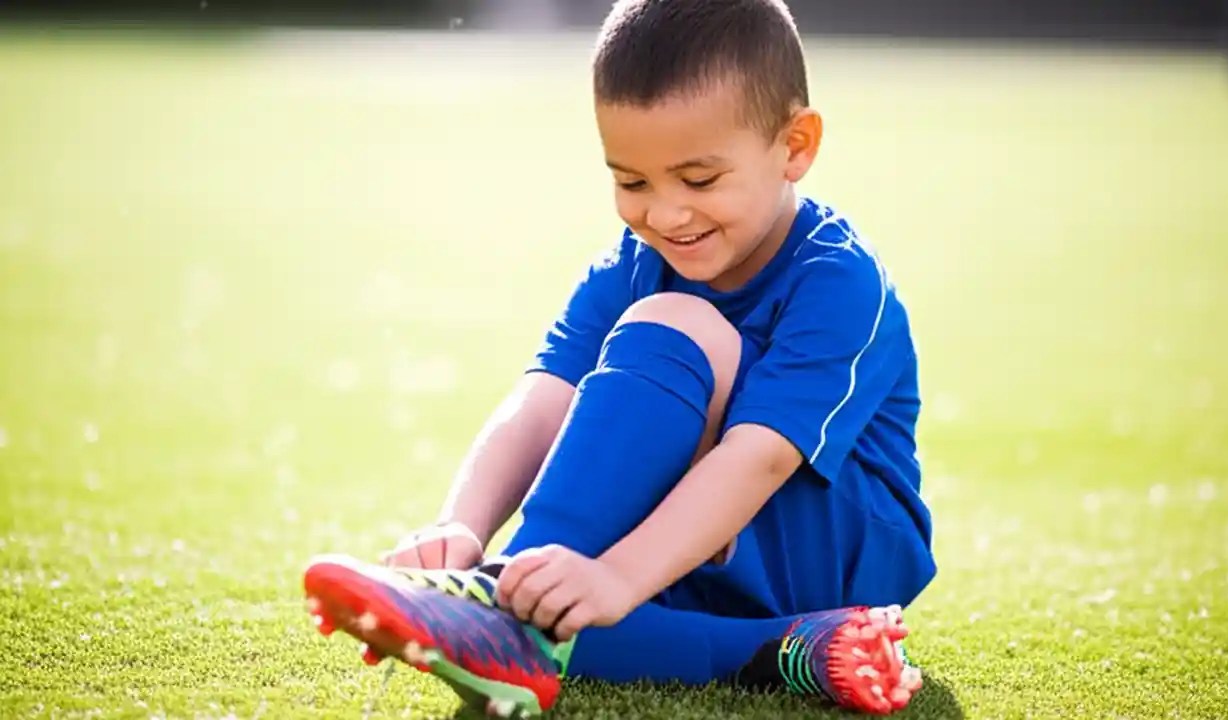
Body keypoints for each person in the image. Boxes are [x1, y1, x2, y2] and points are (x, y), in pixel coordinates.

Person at [303, 0, 935, 715]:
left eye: (699, 181)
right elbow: (542, 399)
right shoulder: (634, 261)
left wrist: (612, 575)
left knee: (676, 325)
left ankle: (508, 603)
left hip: (830, 543)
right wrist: (463, 525)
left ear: (795, 146)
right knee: (575, 600)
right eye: (632, 182)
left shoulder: (838, 279)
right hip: (698, 549)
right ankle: (788, 650)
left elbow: (761, 457)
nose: (664, 215)